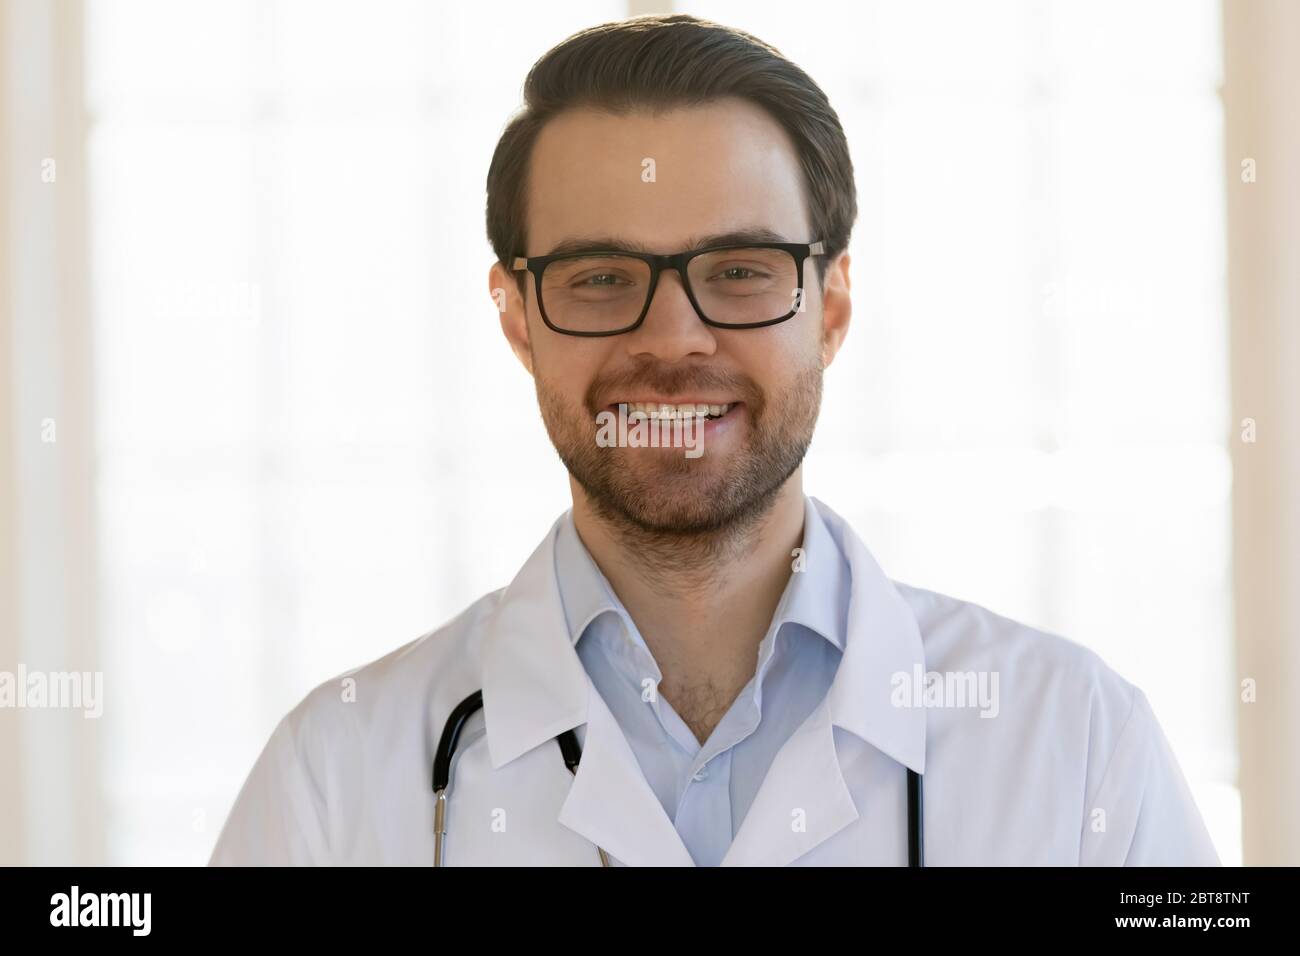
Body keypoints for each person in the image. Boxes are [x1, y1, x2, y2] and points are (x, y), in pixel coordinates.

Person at [210, 13, 1220, 866]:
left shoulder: (1080, 744)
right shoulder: (332, 780)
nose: (671, 339)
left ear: (830, 307)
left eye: (738, 269)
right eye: (600, 277)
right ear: (517, 318)